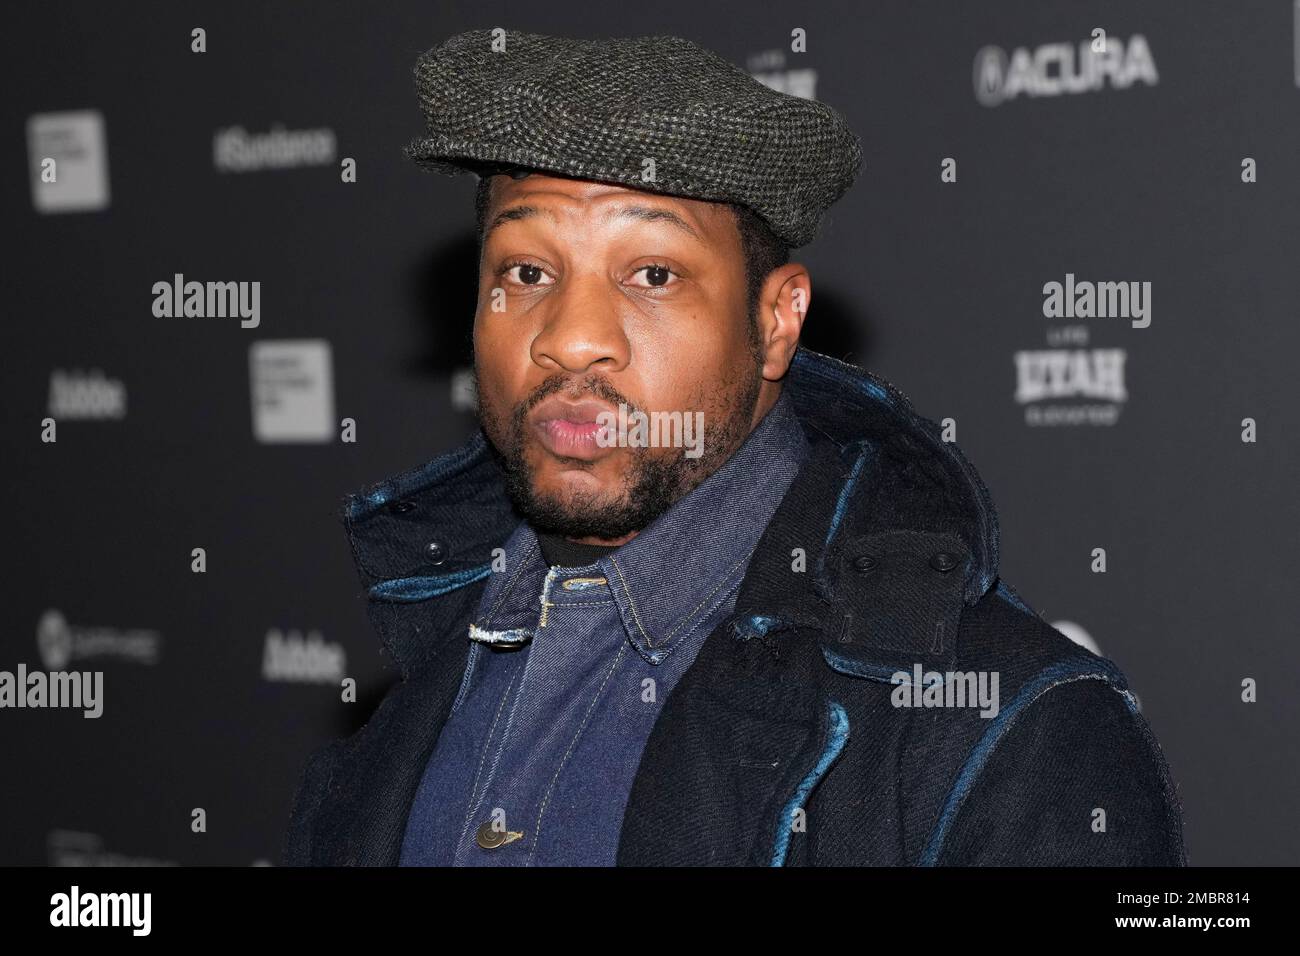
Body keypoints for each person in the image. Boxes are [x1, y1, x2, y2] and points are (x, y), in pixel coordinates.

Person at [283, 28, 1185, 866]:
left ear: (776, 320)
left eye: (653, 274)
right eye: (526, 272)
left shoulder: (1011, 728)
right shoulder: (426, 664)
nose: (571, 336)